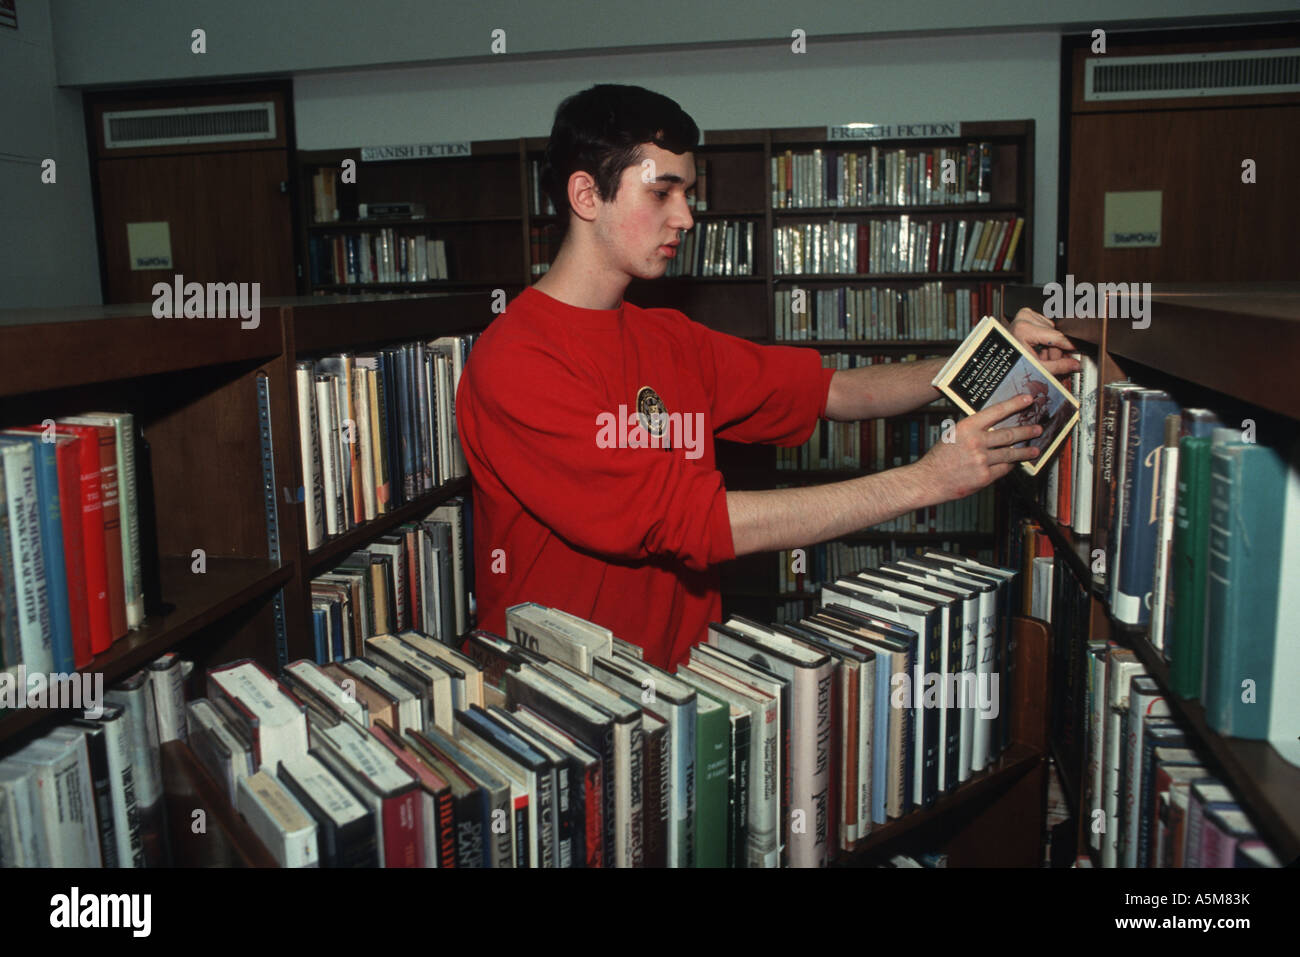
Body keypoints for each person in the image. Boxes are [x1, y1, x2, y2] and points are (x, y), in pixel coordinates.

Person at [455, 84, 1077, 669]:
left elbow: (833, 391)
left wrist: (988, 356)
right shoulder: (516, 360)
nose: (686, 218)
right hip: (567, 702)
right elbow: (689, 523)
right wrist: (926, 481)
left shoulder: (669, 337)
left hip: (681, 681)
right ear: (587, 195)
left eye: (688, 193)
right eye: (661, 192)